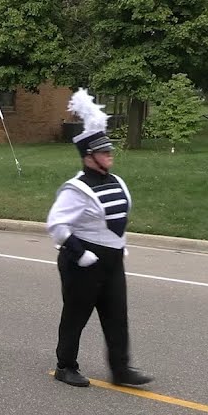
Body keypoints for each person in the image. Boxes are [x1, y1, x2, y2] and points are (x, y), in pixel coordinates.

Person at [47, 92, 151, 389]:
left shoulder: (116, 180)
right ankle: (65, 366)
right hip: (82, 262)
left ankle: (121, 369)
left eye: (109, 151)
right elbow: (56, 224)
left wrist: (120, 245)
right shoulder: (75, 189)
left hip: (112, 260)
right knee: (76, 316)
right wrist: (80, 253)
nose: (110, 155)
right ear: (89, 157)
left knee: (117, 315)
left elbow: (118, 217)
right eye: (104, 153)